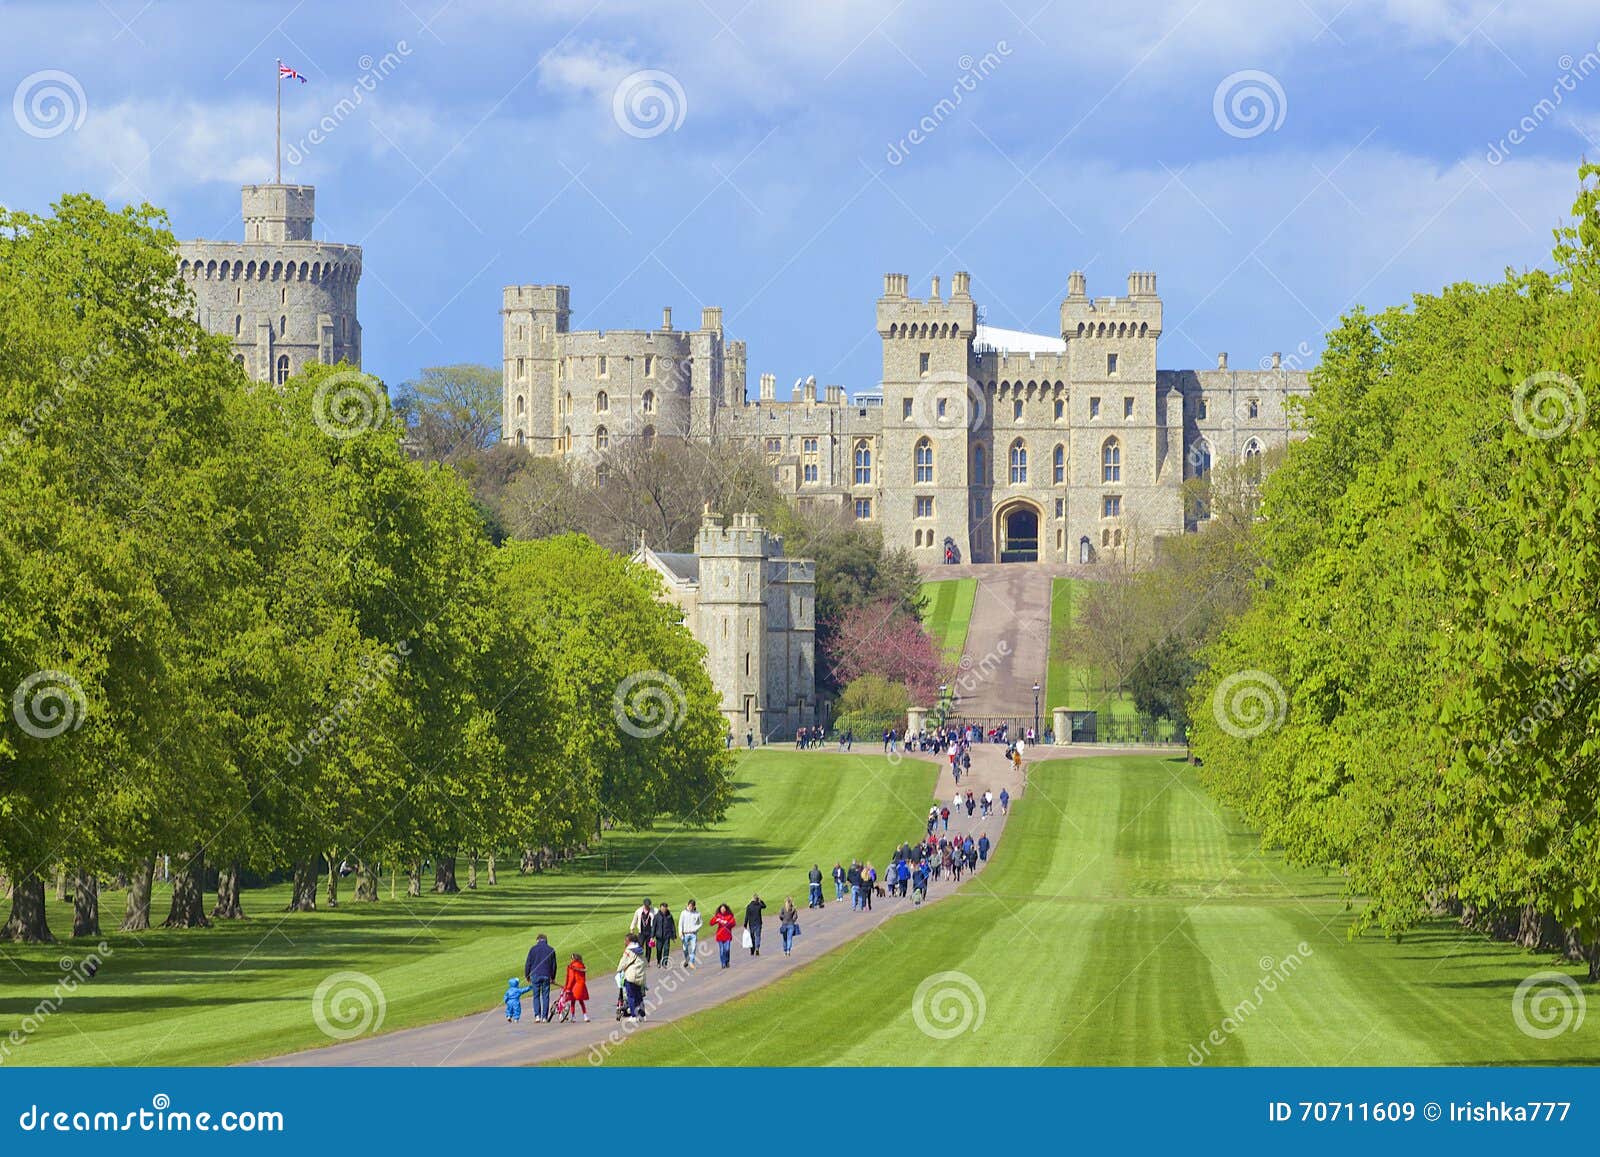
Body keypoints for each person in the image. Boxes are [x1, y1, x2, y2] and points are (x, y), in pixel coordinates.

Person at [523, 932, 558, 1022]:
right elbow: (554, 965)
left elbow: (528, 963)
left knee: (536, 996)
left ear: (537, 940)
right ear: (546, 940)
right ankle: (544, 1017)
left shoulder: (533, 949)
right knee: (545, 996)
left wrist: (527, 975)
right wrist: (553, 977)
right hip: (546, 975)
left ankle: (537, 1016)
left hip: (535, 975)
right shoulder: (551, 949)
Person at [617, 936, 647, 1020]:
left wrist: (619, 970)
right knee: (639, 996)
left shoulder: (629, 950)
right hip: (640, 976)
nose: (624, 942)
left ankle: (634, 1016)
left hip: (631, 976)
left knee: (630, 996)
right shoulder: (640, 950)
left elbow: (623, 962)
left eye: (626, 940)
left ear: (629, 941)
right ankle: (642, 1015)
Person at [564, 953, 590, 1022]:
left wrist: (568, 988)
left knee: (573, 1002)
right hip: (581, 985)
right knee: (581, 1002)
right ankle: (585, 1016)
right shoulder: (582, 965)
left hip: (575, 986)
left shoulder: (572, 966)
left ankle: (573, 1017)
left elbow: (571, 978)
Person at [711, 903, 737, 968]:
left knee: (727, 949)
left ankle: (727, 961)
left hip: (727, 936)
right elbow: (711, 923)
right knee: (722, 950)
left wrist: (726, 923)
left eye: (723, 909)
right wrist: (716, 920)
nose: (722, 910)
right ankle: (723, 963)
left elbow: (733, 923)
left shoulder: (729, 916)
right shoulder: (718, 915)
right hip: (720, 936)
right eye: (721, 909)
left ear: (726, 909)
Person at [651, 902, 676, 967]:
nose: (664, 910)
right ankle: (658, 961)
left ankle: (665, 963)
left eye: (665, 908)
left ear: (667, 908)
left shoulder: (669, 916)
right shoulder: (656, 916)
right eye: (662, 908)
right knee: (659, 950)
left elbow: (672, 926)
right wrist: (652, 936)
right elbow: (654, 927)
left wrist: (673, 936)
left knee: (666, 949)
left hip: (667, 936)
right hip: (659, 937)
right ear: (660, 908)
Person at [679, 899, 703, 969]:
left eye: (692, 906)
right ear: (688, 905)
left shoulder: (697, 913)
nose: (690, 907)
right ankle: (687, 959)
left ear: (694, 906)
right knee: (685, 948)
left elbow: (701, 923)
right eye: (689, 906)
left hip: (693, 934)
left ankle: (691, 962)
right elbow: (680, 923)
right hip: (685, 934)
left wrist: (696, 928)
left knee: (693, 948)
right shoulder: (683, 913)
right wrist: (680, 932)